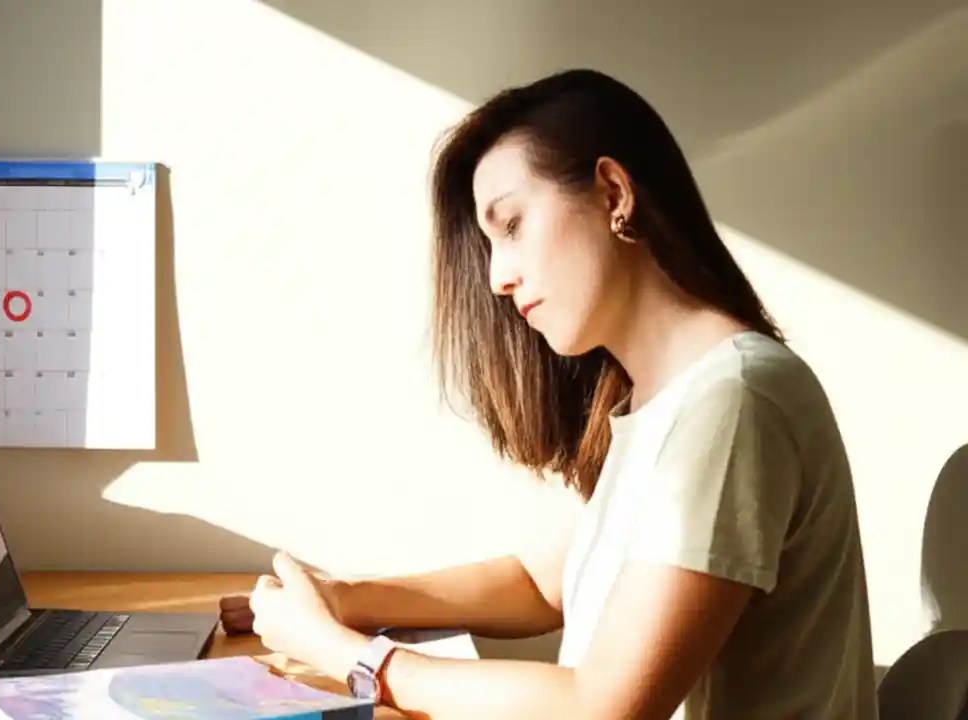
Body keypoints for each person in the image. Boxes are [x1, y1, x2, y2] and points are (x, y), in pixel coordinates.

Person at [219, 68, 877, 719]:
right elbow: (542, 582)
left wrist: (342, 653)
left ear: (614, 193)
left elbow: (603, 707)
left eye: (510, 226)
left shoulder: (733, 401)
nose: (499, 277)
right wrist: (343, 597)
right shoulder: (657, 399)